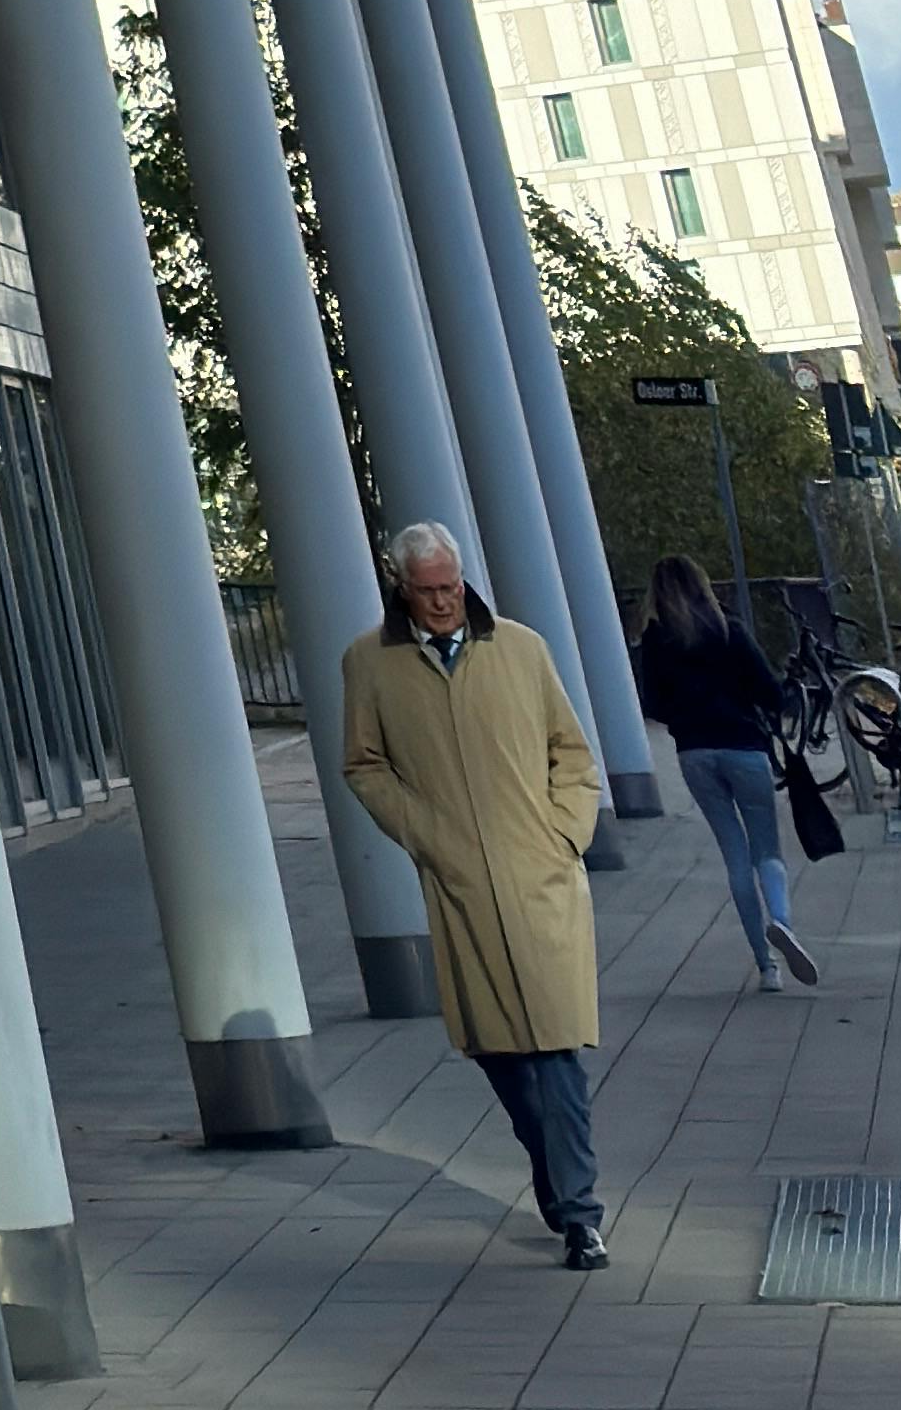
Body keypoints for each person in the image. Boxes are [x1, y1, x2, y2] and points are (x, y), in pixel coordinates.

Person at [340, 521, 612, 1260]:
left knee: (554, 1048)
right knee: (499, 1049)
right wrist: (423, 834)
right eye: (427, 590)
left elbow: (572, 751)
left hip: (540, 877)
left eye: (451, 586)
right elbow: (362, 764)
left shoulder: (521, 649)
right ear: (401, 586)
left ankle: (580, 1212)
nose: (443, 602)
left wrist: (563, 832)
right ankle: (556, 1176)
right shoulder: (369, 663)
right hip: (459, 886)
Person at [634, 550, 814, 987]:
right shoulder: (729, 630)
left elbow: (653, 704)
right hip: (744, 746)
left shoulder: (656, 643)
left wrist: (683, 718)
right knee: (766, 849)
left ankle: (767, 967)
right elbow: (770, 693)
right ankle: (783, 922)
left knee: (734, 856)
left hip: (695, 753)